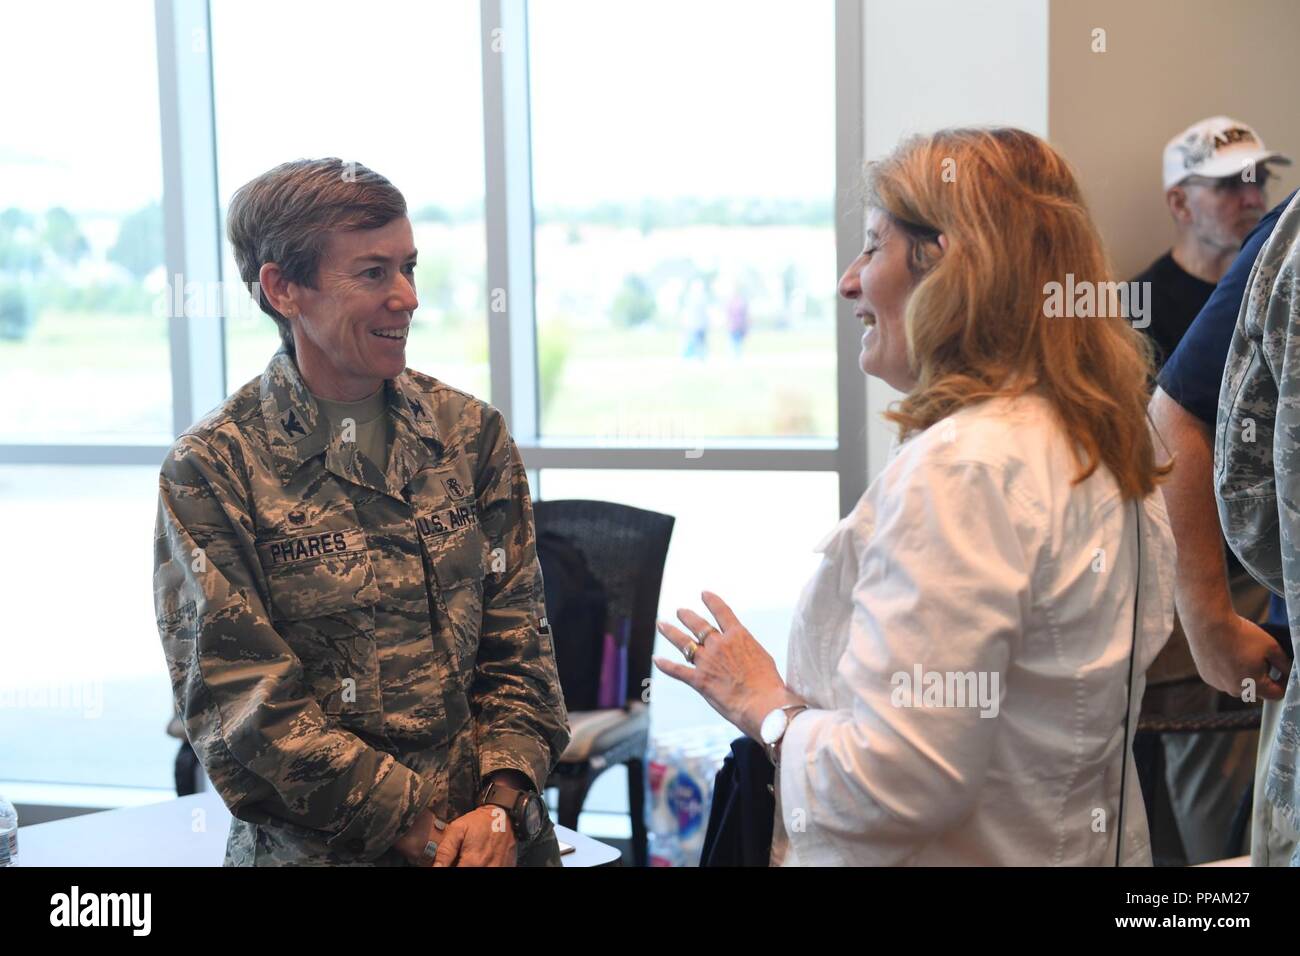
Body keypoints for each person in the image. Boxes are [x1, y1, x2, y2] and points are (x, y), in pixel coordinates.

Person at [655, 128, 1177, 865]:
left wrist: (763, 707)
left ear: (946, 268)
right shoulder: (1110, 442)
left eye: (872, 248)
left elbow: (897, 783)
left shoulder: (964, 471)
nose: (847, 280)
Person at [152, 158, 569, 867]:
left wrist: (500, 808)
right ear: (283, 288)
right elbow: (244, 708)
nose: (406, 297)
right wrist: (423, 832)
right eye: (373, 274)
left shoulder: (470, 436)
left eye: (409, 267)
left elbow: (521, 651)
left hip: (499, 847)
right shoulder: (214, 470)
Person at [1130, 116, 1289, 864]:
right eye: (1228, 184)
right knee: (1166, 800)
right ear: (1179, 202)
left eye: (1259, 179)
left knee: (1226, 799)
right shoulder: (1130, 310)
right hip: (1170, 587)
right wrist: (1201, 609)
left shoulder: (1272, 278)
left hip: (1252, 589)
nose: (1251, 196)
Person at [1213, 187, 1300, 866]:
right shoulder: (1282, 241)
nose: (1246, 196)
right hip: (1264, 615)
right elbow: (1180, 422)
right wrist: (1210, 620)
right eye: (1224, 184)